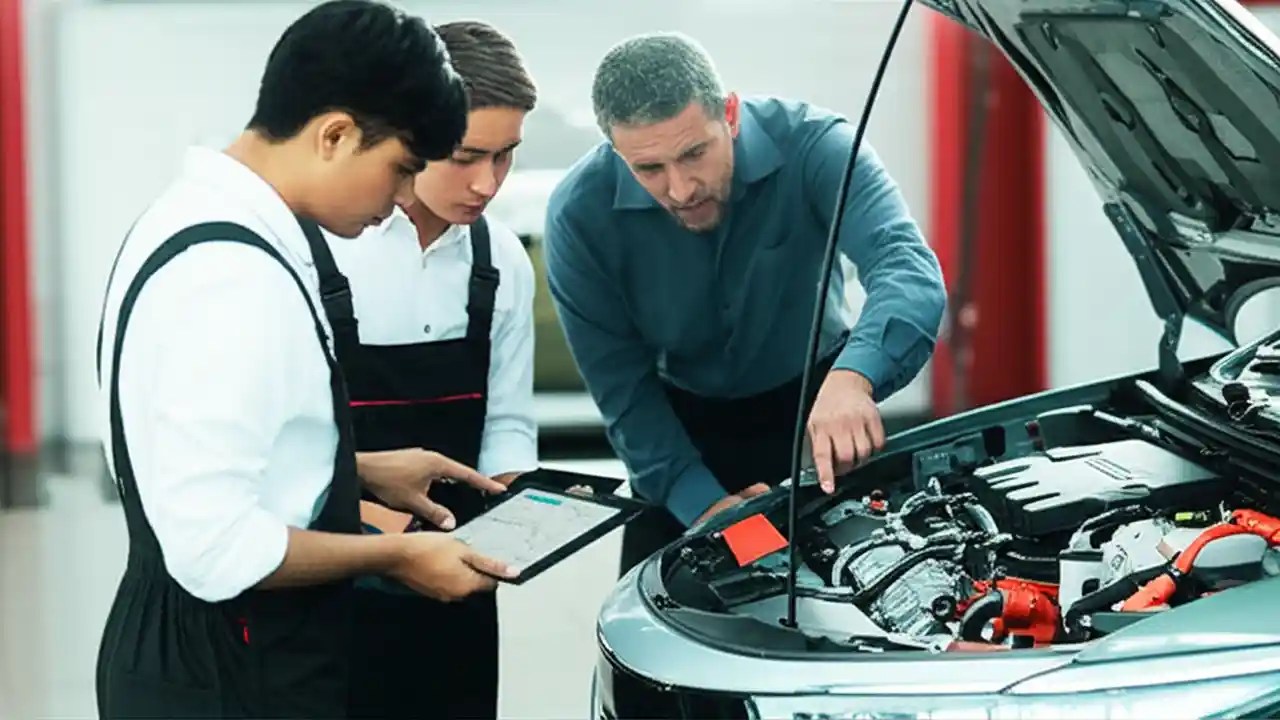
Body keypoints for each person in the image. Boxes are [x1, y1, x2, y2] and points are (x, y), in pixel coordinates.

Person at [92, 3, 515, 718]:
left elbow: (194, 459)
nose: (399, 200)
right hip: (232, 664)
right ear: (335, 135)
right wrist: (398, 557)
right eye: (400, 169)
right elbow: (217, 549)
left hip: (199, 646)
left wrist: (356, 474)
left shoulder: (189, 219)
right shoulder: (236, 276)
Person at [544, 32, 947, 576]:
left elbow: (906, 267)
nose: (681, 188)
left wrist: (856, 378)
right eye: (649, 169)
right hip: (676, 437)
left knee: (864, 611)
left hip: (820, 413)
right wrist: (704, 506)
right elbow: (622, 391)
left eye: (694, 153)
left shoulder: (816, 146)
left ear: (729, 113)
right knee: (663, 636)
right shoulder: (578, 215)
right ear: (616, 151)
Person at [315, 19, 539, 720]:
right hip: (330, 579)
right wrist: (385, 541)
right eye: (467, 154)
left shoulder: (500, 258)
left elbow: (505, 418)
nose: (488, 183)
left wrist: (517, 513)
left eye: (505, 157)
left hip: (456, 580)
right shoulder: (321, 246)